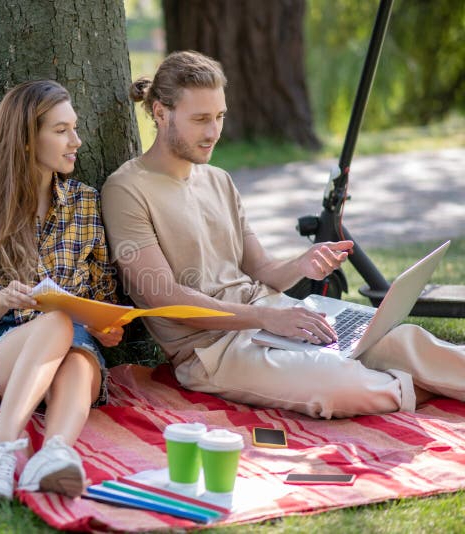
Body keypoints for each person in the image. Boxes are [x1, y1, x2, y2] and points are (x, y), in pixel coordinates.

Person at [101, 50, 465, 419]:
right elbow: (167, 299)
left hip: (274, 315)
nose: (213, 132)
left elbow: (262, 269)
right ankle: (414, 388)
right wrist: (264, 319)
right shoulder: (126, 190)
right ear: (161, 113)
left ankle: (410, 381)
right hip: (212, 350)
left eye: (219, 117)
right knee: (337, 384)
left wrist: (302, 264)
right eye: (200, 120)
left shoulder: (218, 180)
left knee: (403, 341)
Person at [0, 80, 123, 499]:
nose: (76, 141)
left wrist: (107, 326)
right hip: (3, 350)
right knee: (57, 322)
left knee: (79, 355)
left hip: (76, 352)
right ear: (26, 140)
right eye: (61, 131)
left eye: (74, 128)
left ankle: (55, 453)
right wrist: (2, 300)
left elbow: (100, 295)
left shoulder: (84, 202)